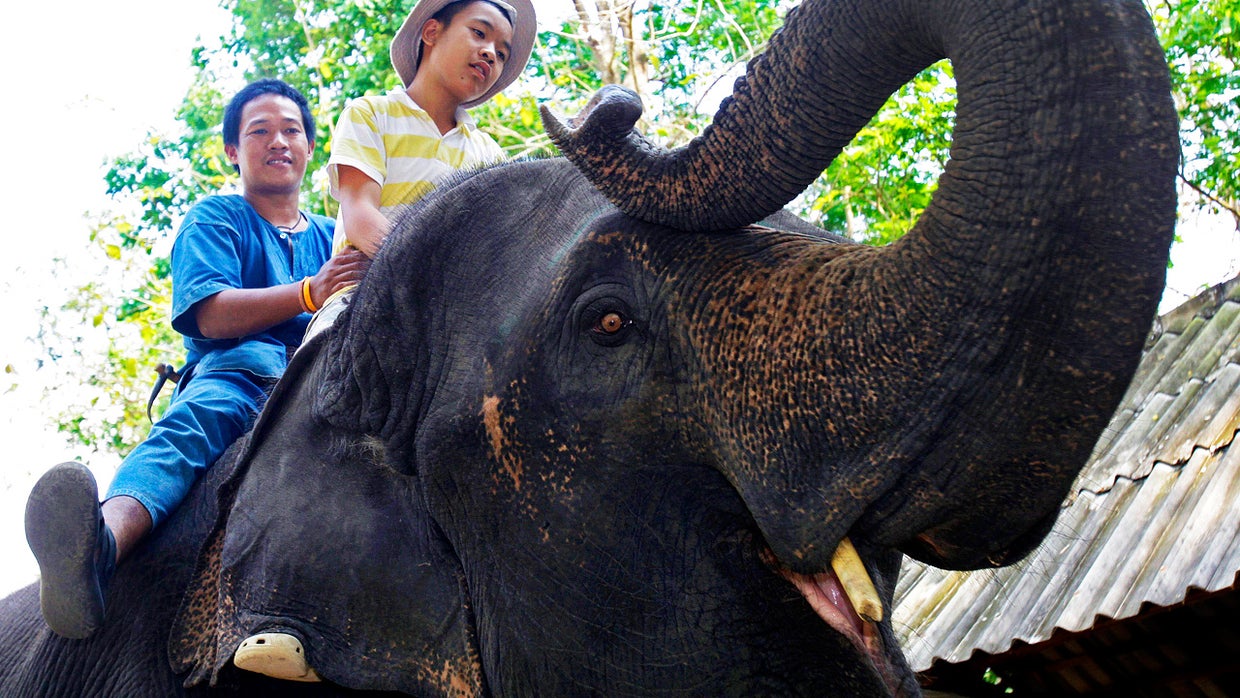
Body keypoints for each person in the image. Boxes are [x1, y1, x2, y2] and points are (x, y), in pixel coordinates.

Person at [227, 0, 536, 683]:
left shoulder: (488, 155)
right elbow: (361, 212)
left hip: (456, 325)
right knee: (311, 393)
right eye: (479, 33)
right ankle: (276, 606)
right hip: (364, 301)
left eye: (502, 48)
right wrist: (420, 275)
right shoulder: (372, 114)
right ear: (432, 33)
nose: (491, 54)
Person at [23, 78, 370, 642]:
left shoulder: (338, 235)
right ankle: (98, 547)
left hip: (330, 387)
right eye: (259, 131)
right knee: (188, 430)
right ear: (233, 150)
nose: (278, 141)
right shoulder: (215, 218)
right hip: (239, 378)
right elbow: (209, 313)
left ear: (310, 148)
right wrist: (310, 291)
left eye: (291, 131)